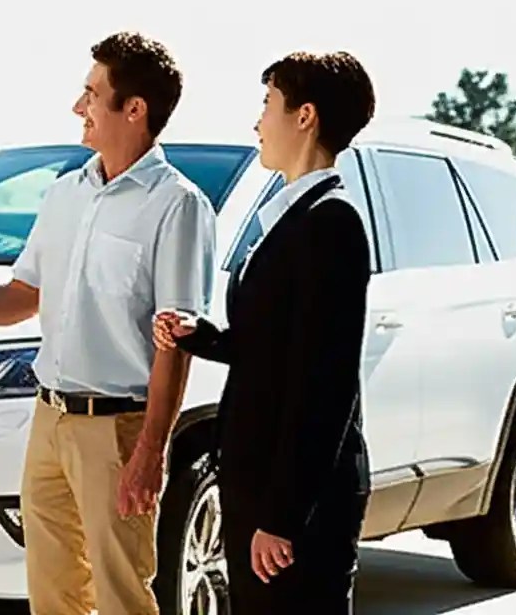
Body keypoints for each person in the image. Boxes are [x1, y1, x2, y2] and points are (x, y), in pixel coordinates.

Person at [0, 32, 215, 615]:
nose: (77, 107)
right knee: (52, 596)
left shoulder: (177, 205)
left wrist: (151, 451)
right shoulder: (66, 194)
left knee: (121, 596)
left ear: (133, 109)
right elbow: (21, 296)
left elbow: (177, 341)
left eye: (91, 94)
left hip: (119, 431)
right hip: (49, 421)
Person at [154, 50, 377, 613]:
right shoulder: (289, 216)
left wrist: (283, 516)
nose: (258, 122)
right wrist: (201, 336)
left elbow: (326, 384)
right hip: (260, 480)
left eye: (267, 104)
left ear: (305, 116)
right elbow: (275, 346)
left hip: (298, 499)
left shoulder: (332, 222)